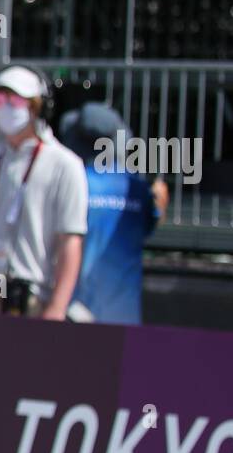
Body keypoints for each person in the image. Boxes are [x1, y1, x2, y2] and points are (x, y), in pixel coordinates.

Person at [0, 64, 88, 318]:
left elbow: (70, 241)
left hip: (32, 297)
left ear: (37, 106)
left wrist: (56, 309)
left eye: (16, 100)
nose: (6, 107)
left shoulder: (65, 165)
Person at [59, 103, 166, 325]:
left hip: (74, 314)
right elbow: (152, 222)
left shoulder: (73, 183)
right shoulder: (136, 189)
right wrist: (160, 200)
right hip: (122, 318)